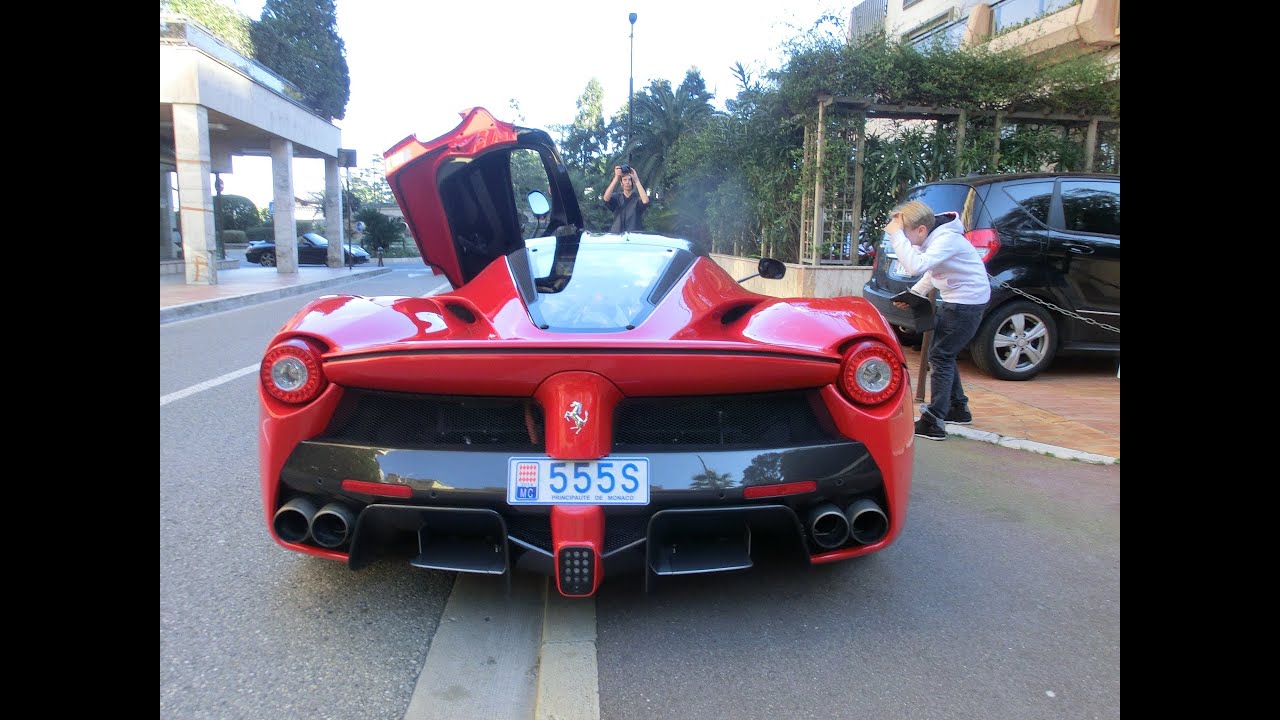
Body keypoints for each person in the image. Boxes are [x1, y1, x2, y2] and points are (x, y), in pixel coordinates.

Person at [886, 200, 991, 441]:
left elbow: (915, 266)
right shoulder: (939, 238)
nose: (904, 239)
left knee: (941, 356)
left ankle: (934, 421)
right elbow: (933, 273)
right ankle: (958, 408)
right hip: (961, 302)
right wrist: (914, 295)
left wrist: (894, 235)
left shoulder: (947, 239)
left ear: (921, 229)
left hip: (966, 304)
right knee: (944, 353)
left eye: (906, 234)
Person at [602, 164, 649, 233]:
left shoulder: (637, 199)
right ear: (621, 183)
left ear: (632, 182)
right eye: (625, 180)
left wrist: (636, 180)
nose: (627, 182)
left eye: (629, 180)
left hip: (634, 236)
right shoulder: (617, 198)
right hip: (617, 236)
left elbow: (645, 201)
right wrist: (616, 178)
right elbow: (606, 198)